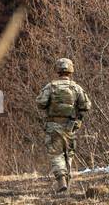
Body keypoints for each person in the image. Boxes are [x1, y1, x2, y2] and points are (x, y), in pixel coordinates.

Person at [35, 57, 91, 193]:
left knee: (56, 154)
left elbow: (40, 103)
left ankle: (61, 179)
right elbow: (86, 105)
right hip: (70, 126)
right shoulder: (76, 87)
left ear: (57, 70)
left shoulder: (51, 86)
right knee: (69, 153)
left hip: (53, 125)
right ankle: (67, 180)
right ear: (71, 70)